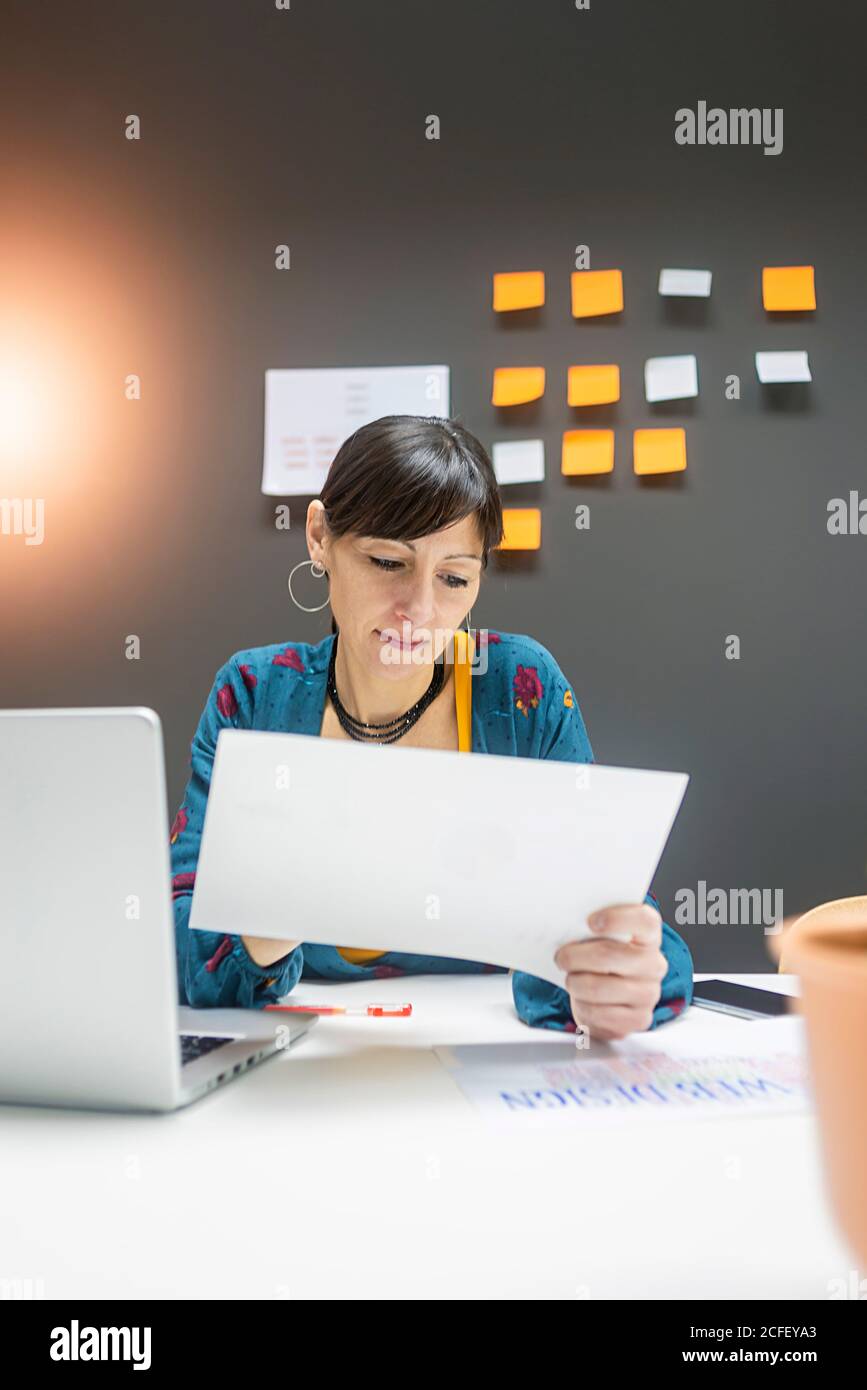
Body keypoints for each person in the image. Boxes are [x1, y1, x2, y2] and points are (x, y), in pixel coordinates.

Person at [170, 415, 693, 1040]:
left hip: (486, 1057)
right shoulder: (256, 695)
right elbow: (177, 951)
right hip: (300, 1067)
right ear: (318, 537)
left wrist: (618, 978)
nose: (419, 612)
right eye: (388, 561)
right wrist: (284, 899)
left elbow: (618, 923)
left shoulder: (518, 689)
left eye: (454, 578)